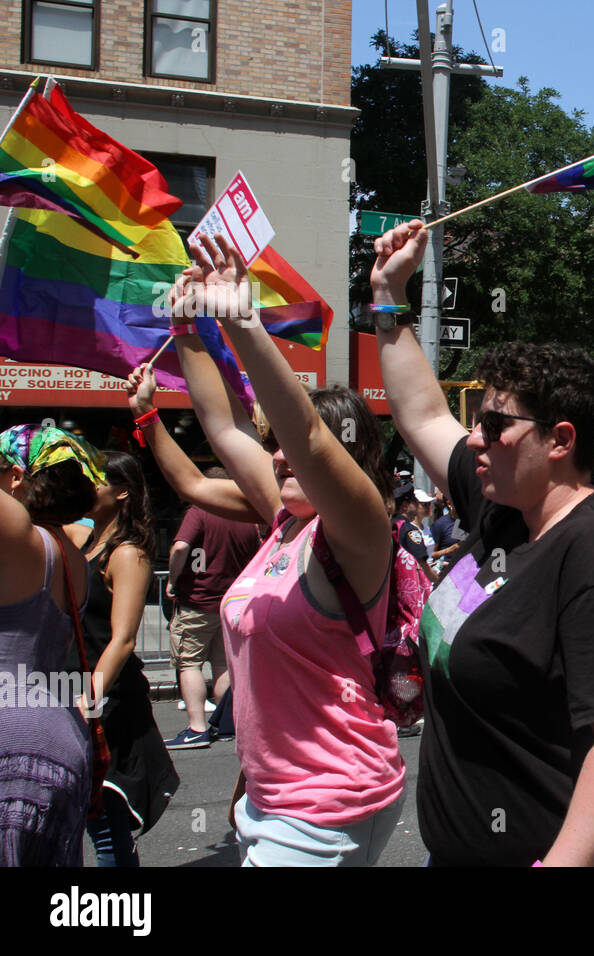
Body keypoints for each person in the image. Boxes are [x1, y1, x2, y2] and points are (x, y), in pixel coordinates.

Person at [371, 220, 594, 866]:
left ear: (561, 441)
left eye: (494, 424)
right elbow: (423, 414)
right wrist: (387, 295)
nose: (474, 438)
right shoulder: (502, 504)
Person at [169, 232, 405, 866]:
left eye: (293, 451)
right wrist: (189, 329)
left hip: (327, 802)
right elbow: (223, 428)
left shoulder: (359, 530)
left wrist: (242, 318)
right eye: (271, 447)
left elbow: (301, 432)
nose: (277, 455)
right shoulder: (283, 522)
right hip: (277, 799)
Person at [72, 451, 179, 866]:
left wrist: (90, 700)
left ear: (121, 493)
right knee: (89, 816)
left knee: (105, 821)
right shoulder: (84, 538)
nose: (84, 488)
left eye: (93, 480)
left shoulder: (127, 553)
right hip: (78, 688)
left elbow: (123, 639)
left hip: (109, 697)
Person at [0, 425, 97, 866]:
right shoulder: (71, 552)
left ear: (17, 476)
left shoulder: (20, 535)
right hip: (58, 736)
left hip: (11, 740)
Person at [164, 491, 260, 749]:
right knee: (222, 665)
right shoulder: (246, 517)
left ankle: (197, 728)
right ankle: (226, 723)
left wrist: (173, 580)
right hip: (230, 602)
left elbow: (181, 546)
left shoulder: (200, 512)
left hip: (198, 601)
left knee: (189, 663)